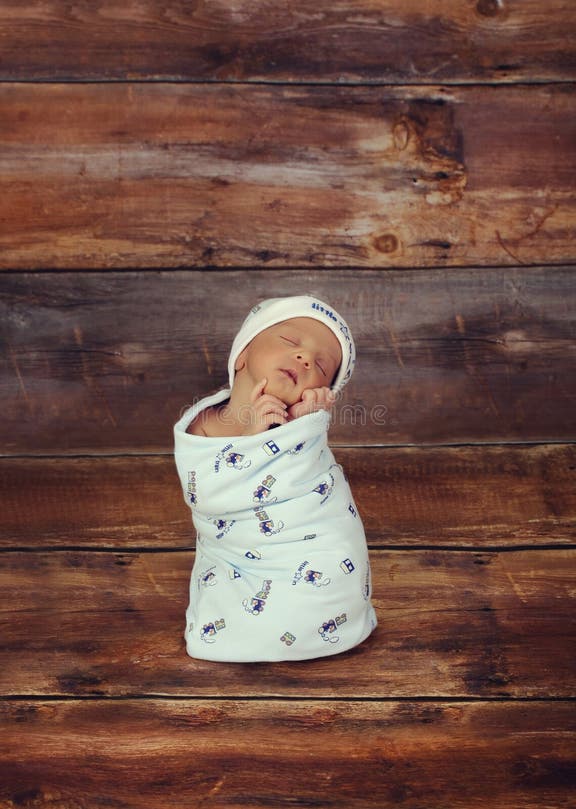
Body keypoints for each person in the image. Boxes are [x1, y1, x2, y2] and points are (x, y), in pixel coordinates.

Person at [174, 295, 377, 661]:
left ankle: (315, 621)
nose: (305, 358)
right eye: (289, 341)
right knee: (228, 604)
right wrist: (251, 442)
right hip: (237, 559)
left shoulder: (302, 430)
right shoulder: (201, 425)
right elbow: (205, 495)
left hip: (312, 552)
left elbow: (312, 493)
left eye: (321, 364)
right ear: (241, 356)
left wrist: (303, 428)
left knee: (323, 579)